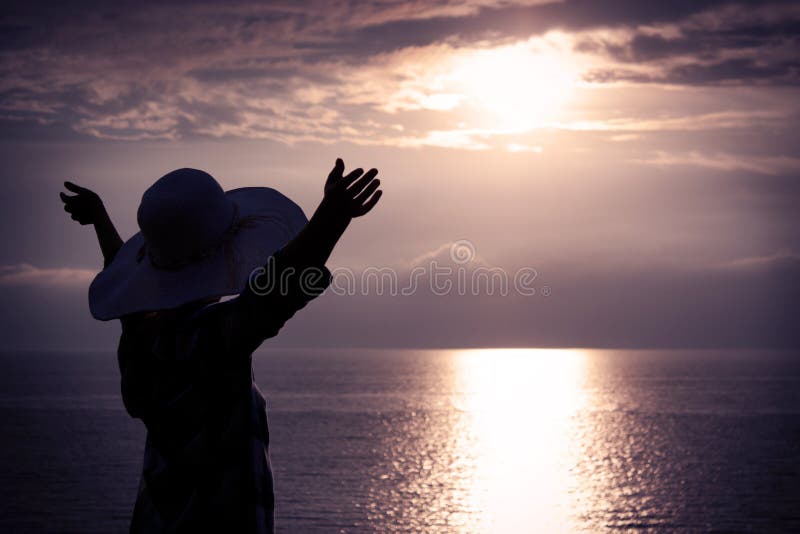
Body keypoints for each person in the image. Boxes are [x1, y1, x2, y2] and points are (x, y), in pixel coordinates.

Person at [59, 160, 382, 533]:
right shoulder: (204, 343)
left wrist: (100, 221)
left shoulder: (142, 342)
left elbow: (129, 306)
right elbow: (274, 295)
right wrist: (332, 217)